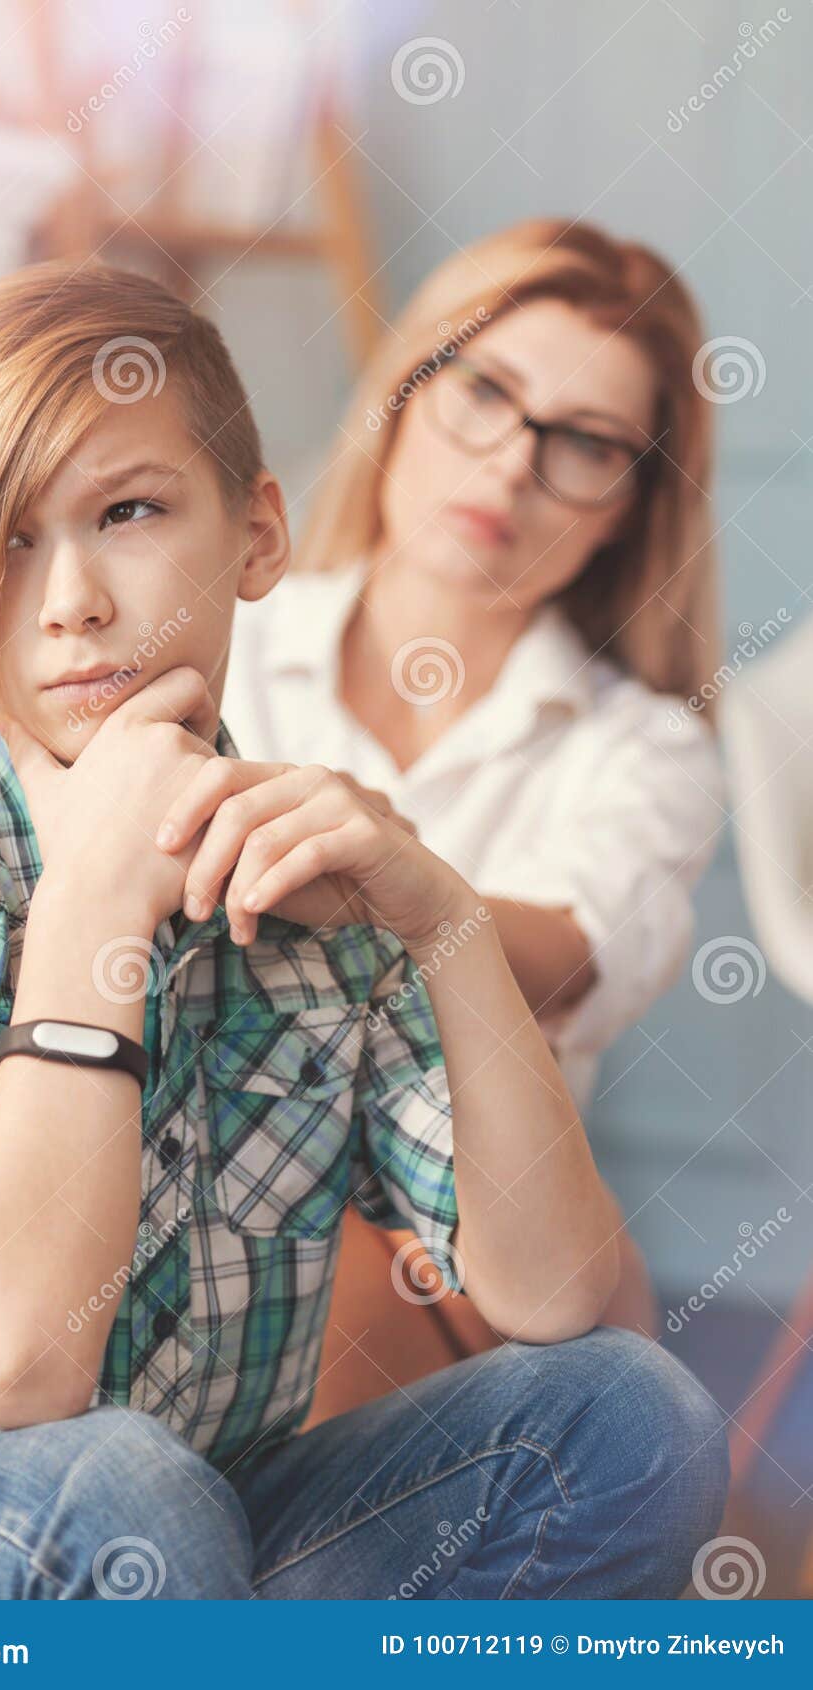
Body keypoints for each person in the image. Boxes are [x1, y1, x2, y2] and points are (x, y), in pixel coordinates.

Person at [0, 259, 728, 1601]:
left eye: (130, 511)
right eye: (5, 538)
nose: (71, 600)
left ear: (256, 533)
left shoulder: (307, 890)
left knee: (631, 1413)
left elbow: (552, 1292)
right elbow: (21, 1361)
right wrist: (94, 893)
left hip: (187, 1555)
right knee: (117, 1483)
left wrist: (438, 911)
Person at [222, 218, 724, 1423]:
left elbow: (560, 962)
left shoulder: (646, 748)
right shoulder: (217, 635)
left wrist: (394, 878)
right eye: (484, 394)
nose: (508, 468)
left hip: (451, 1217)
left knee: (605, 1357)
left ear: (627, 508)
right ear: (403, 394)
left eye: (587, 446)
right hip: (179, 1164)